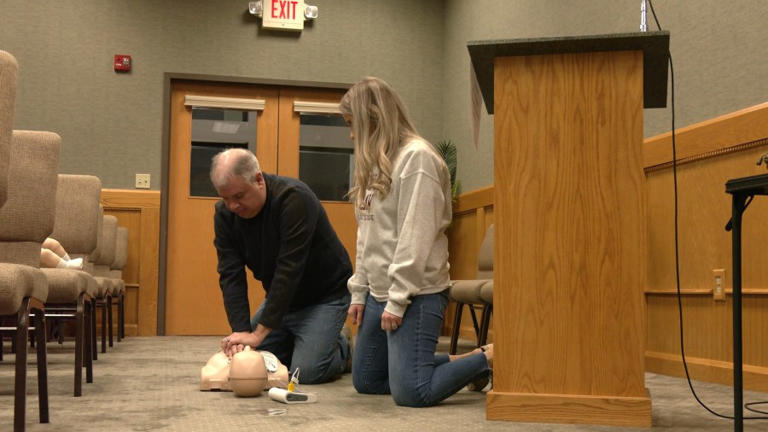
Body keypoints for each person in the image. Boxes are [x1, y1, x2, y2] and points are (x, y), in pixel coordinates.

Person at [341, 77, 492, 407]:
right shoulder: (374, 162)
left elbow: (416, 238)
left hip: (416, 293)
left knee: (412, 392)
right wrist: (360, 292)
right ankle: (454, 364)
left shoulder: (417, 159)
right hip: (381, 292)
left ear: (374, 119)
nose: (352, 135)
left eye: (354, 125)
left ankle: (487, 359)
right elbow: (366, 234)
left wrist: (397, 299)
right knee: (367, 379)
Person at [212, 148, 353, 384]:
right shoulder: (224, 215)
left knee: (305, 372)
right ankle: (306, 342)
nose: (232, 206)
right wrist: (243, 334)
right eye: (225, 199)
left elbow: (289, 269)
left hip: (325, 297)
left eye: (238, 196)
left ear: (258, 179)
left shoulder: (294, 199)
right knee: (252, 359)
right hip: (282, 300)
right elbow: (230, 276)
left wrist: (259, 333)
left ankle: (342, 347)